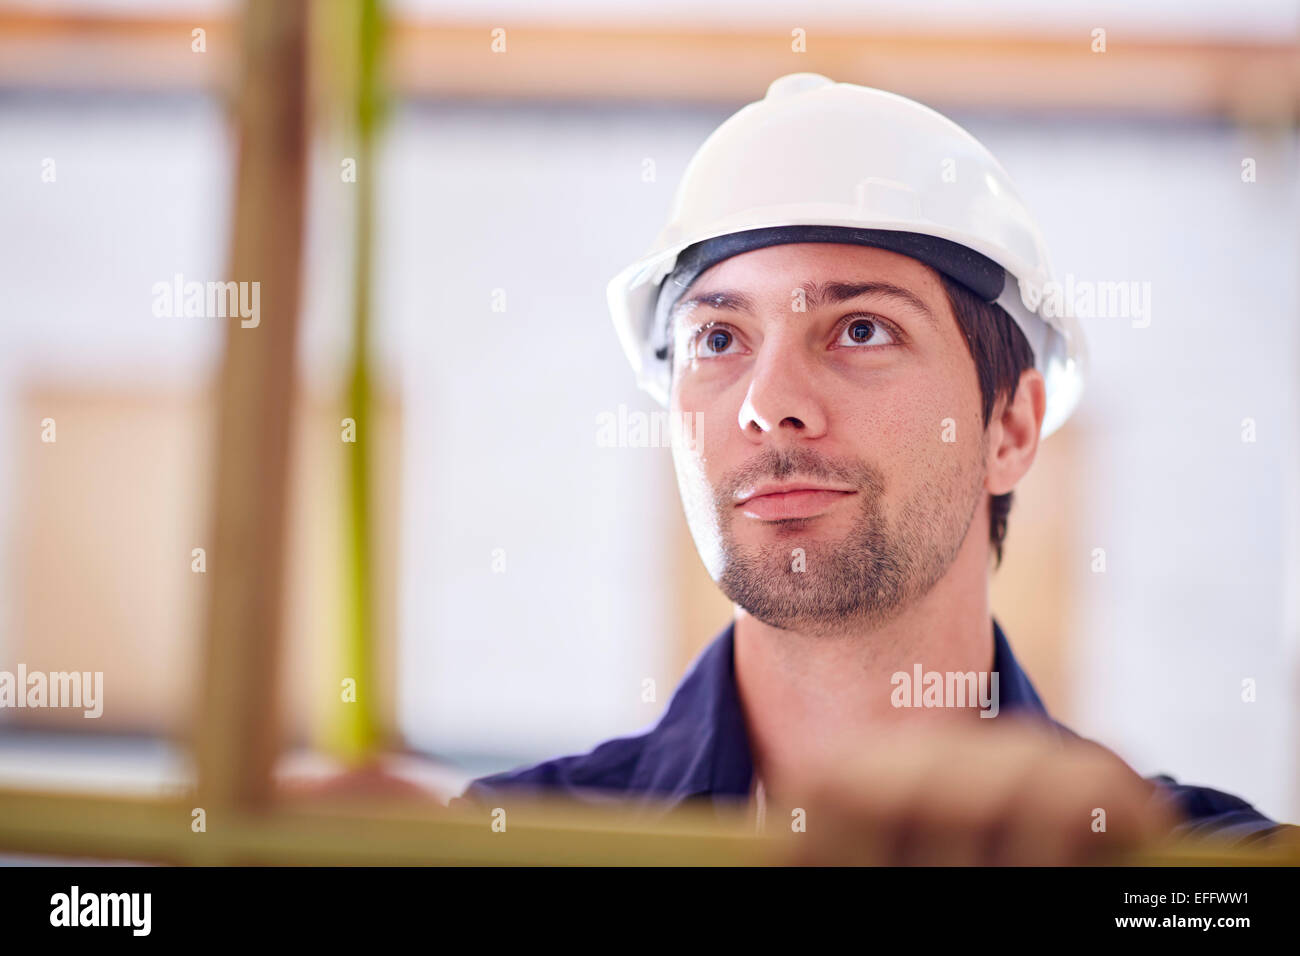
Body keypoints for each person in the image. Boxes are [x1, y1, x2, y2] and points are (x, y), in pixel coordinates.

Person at [454, 74, 1295, 863]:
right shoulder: (507, 843)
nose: (767, 402)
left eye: (861, 329)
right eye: (719, 339)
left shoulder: (1195, 873)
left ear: (1009, 428)